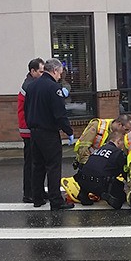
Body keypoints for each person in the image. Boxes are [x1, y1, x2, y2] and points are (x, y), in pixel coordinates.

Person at [24, 57, 75, 210]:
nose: (60, 76)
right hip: (48, 133)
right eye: (60, 73)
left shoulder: (32, 87)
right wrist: (69, 131)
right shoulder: (54, 88)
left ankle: (37, 198)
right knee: (53, 166)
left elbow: (27, 110)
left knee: (37, 165)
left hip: (34, 132)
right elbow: (60, 114)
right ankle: (56, 201)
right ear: (54, 71)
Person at [65, 127, 127, 209]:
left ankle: (83, 194)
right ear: (119, 141)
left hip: (83, 181)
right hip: (101, 183)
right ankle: (105, 194)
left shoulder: (99, 149)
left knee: (91, 172)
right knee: (121, 192)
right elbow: (124, 171)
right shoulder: (118, 153)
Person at [17, 57, 45, 202]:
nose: (42, 74)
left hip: (29, 128)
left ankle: (37, 191)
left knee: (36, 162)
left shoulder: (30, 83)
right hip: (29, 130)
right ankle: (29, 193)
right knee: (31, 163)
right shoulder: (30, 86)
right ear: (32, 71)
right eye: (40, 71)